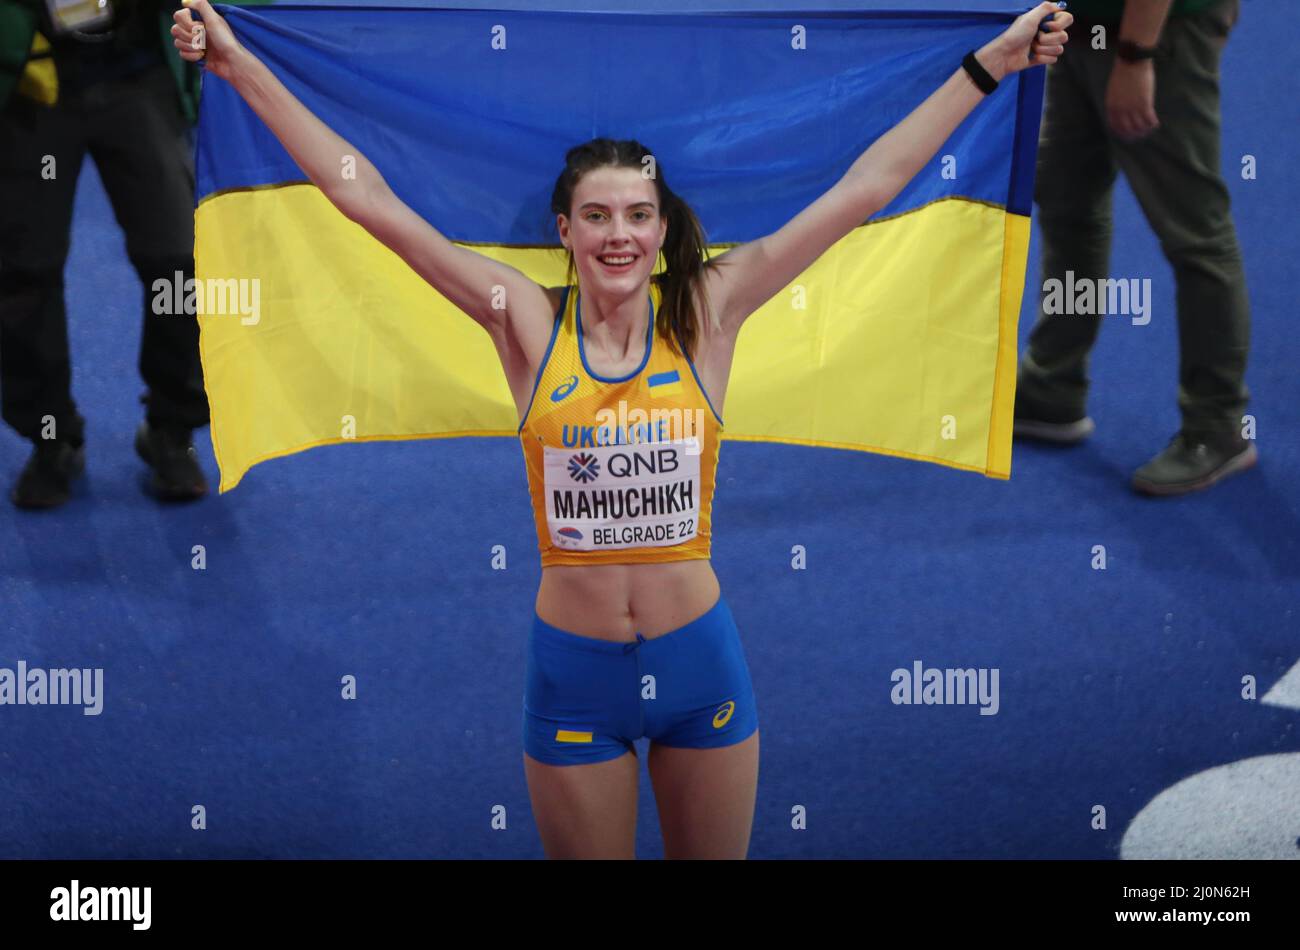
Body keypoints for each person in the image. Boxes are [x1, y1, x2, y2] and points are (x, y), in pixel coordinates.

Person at [172, 0, 1071, 858]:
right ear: (564, 230)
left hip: (702, 671)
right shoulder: (520, 320)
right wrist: (237, 64)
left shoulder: (711, 315)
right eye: (597, 216)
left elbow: (864, 188)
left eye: (639, 216)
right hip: (573, 680)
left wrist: (990, 64)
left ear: (663, 230)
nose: (619, 236)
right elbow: (365, 198)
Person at [1012, 0, 1254, 495]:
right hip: (1080, 26)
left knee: (1195, 234)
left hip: (1155, 37)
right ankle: (1053, 385)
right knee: (1066, 203)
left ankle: (1217, 426)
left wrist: (1137, 55)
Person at [0, 0, 218, 508]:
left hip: (138, 75)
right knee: (23, 269)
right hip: (31, 83)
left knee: (180, 265)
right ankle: (51, 438)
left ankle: (171, 427)